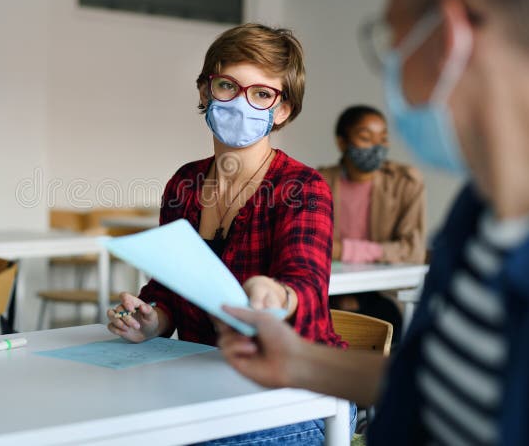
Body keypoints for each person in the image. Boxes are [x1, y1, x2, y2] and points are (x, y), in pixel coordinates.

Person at [218, 0, 529, 444]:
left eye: (392, 38)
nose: (392, 69)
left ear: (447, 37)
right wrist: (299, 362)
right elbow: (430, 380)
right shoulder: (479, 216)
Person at [107, 23, 356, 444]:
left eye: (262, 93)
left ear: (283, 110)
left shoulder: (302, 187)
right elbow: (168, 291)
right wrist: (151, 321)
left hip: (305, 394)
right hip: (208, 384)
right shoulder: (184, 184)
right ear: (205, 92)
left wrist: (277, 297)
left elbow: (306, 289)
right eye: (227, 85)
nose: (242, 103)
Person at [320, 105, 425, 342]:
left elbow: (412, 249)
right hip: (329, 287)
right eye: (365, 138)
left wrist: (344, 249)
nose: (377, 147)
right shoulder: (320, 182)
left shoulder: (406, 182)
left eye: (383, 139)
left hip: (381, 292)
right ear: (342, 143)